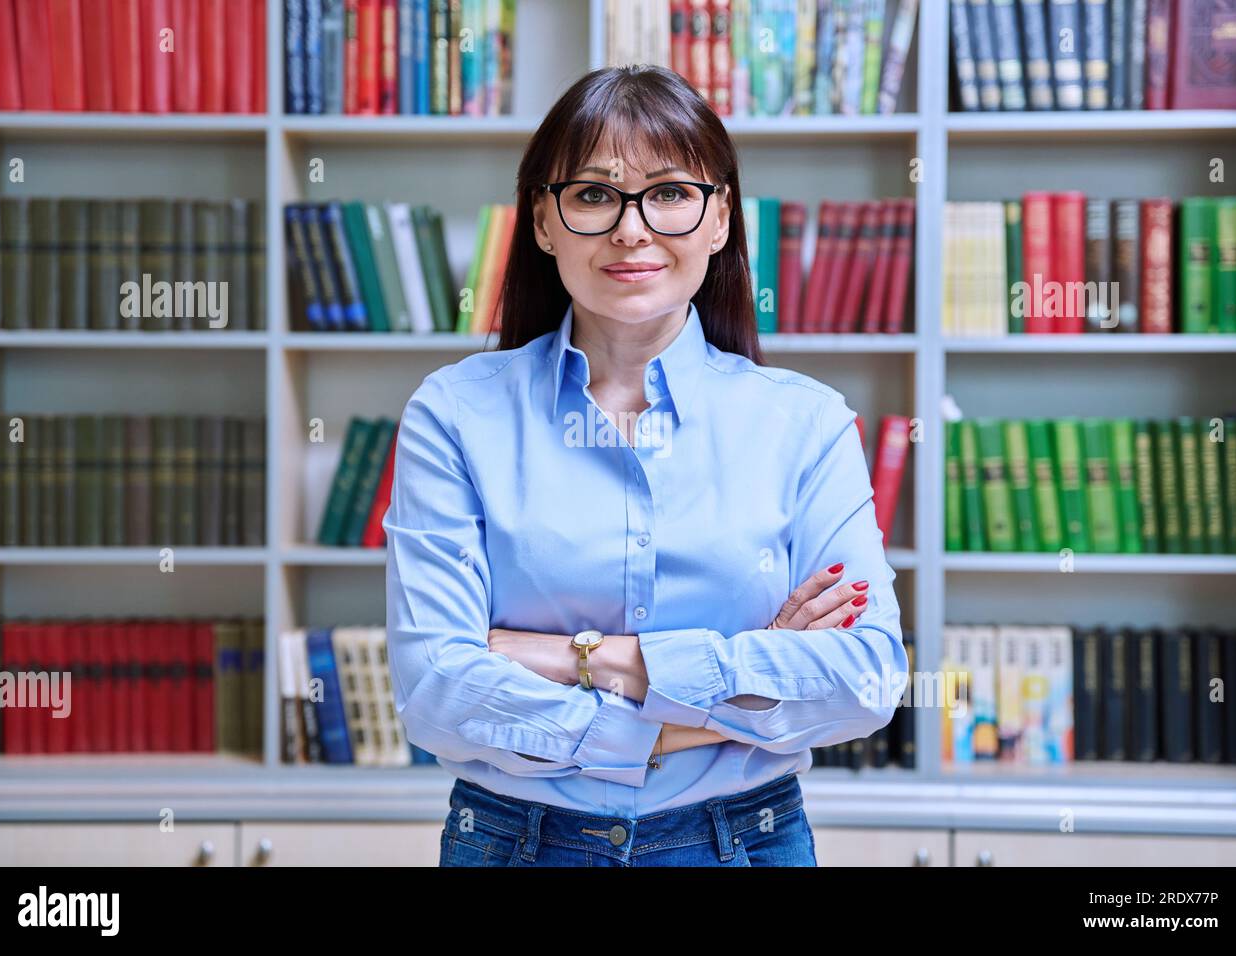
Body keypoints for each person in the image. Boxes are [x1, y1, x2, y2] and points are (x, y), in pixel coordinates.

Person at [383, 65, 907, 867]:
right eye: (594, 194)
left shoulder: (804, 422)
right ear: (544, 221)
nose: (632, 229)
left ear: (720, 218)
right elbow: (438, 693)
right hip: (517, 845)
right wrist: (712, 702)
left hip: (744, 843)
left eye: (668, 193)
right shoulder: (455, 414)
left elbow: (864, 677)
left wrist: (588, 658)